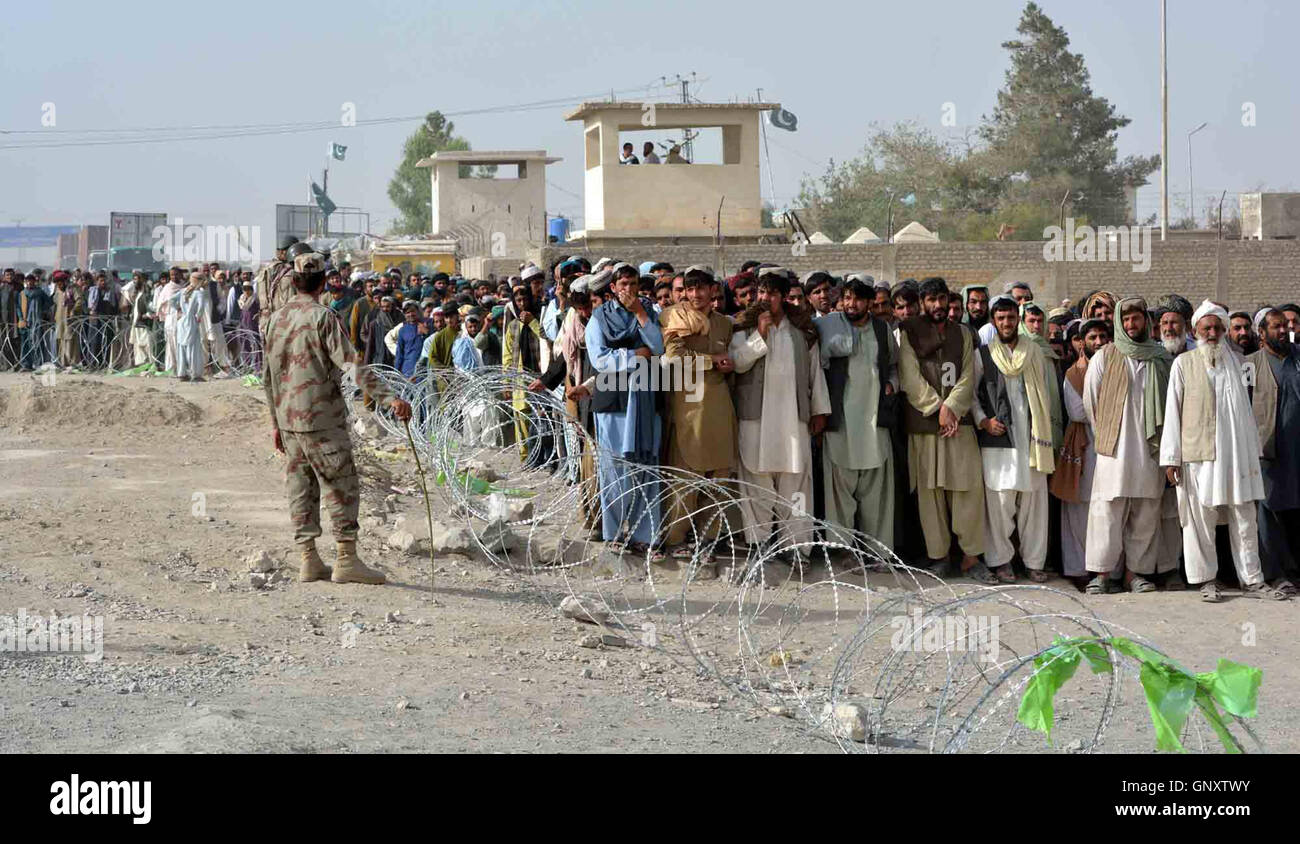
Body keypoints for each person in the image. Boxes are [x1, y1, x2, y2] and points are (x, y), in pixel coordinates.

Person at [263, 251, 412, 584]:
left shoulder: (276, 319)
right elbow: (350, 365)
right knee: (340, 484)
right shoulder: (323, 317)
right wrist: (390, 398)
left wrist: (275, 422)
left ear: (293, 281)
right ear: (322, 281)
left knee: (301, 487)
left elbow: (267, 377)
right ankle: (346, 558)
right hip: (321, 418)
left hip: (288, 420)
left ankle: (309, 558)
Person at [1160, 301, 1281, 602]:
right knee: (1201, 519)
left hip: (1238, 454)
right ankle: (1206, 580)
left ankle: (1252, 580)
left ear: (1224, 331)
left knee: (1244, 516)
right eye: (1206, 328)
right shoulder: (1183, 364)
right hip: (1198, 454)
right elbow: (1173, 412)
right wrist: (1171, 458)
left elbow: (1252, 411)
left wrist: (1254, 451)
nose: (1212, 333)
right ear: (1195, 330)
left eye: (1217, 328)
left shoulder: (1242, 364)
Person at [729, 267, 831, 566]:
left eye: (772, 293)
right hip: (755, 421)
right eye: (761, 292)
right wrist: (759, 335)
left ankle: (796, 548)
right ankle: (759, 544)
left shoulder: (802, 332)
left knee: (795, 485)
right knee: (756, 483)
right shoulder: (742, 329)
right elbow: (737, 364)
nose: (765, 298)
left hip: (792, 422)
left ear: (783, 297)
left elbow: (815, 374)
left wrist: (819, 411)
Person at [1082, 297, 1173, 594]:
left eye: (1136, 318)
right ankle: (1102, 575)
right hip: (1114, 450)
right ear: (1119, 323)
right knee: (1107, 512)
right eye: (1126, 319)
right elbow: (1091, 401)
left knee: (1146, 512)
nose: (1131, 325)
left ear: (1146, 321)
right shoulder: (1105, 356)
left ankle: (1136, 575)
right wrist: (1107, 436)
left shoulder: (1160, 358)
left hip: (1150, 450)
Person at [897, 277, 987, 579]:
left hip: (958, 425)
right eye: (931, 300)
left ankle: (971, 557)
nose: (937, 305)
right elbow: (909, 378)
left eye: (941, 299)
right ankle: (939, 557)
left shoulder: (962, 333)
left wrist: (951, 409)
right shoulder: (909, 333)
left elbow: (968, 375)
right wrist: (937, 409)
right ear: (922, 303)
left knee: (967, 490)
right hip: (925, 425)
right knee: (929, 492)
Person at [973, 296, 1057, 582]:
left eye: (1011, 318)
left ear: (1017, 320)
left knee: (1034, 505)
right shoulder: (983, 354)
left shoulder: (1033, 352)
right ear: (994, 322)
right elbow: (972, 394)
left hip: (1033, 438)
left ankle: (1034, 562)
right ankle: (1001, 561)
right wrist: (983, 420)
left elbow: (1045, 395)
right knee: (999, 504)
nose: (1006, 323)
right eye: (1001, 318)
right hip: (998, 439)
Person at [659, 266, 737, 572]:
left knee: (717, 477)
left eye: (700, 288)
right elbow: (674, 356)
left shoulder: (723, 325)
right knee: (684, 477)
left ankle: (708, 539)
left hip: (718, 406)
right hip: (688, 406)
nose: (695, 295)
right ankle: (676, 540)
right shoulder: (673, 318)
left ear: (713, 290)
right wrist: (711, 361)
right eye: (689, 289)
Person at [586, 263, 665, 558]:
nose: (628, 290)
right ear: (613, 289)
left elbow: (658, 346)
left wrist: (641, 315)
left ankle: (645, 535)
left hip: (646, 401)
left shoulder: (648, 313)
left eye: (633, 284)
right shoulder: (599, 319)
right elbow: (600, 359)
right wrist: (634, 354)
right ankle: (616, 532)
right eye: (623, 285)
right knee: (614, 469)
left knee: (646, 466)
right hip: (614, 403)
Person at [817, 277, 898, 551]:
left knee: (877, 495)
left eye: (858, 299)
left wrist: (892, 384)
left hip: (875, 422)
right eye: (848, 298)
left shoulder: (882, 330)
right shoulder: (828, 327)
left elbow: (896, 367)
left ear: (869, 303)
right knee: (839, 495)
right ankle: (842, 552)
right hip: (841, 424)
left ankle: (878, 552)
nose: (852, 304)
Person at [1249, 308, 1300, 594]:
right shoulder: (1250, 364)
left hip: (1297, 451)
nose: (1283, 331)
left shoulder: (1298, 356)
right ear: (1263, 332)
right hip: (1266, 452)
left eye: (1286, 326)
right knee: (1268, 515)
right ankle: (1274, 573)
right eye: (1276, 327)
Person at [1057, 319, 1111, 581]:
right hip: (1084, 446)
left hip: (1112, 447)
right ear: (1082, 342)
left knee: (1107, 510)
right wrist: (1109, 410)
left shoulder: (1117, 368)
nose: (1098, 342)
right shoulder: (1073, 374)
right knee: (1079, 512)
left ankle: (1108, 570)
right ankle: (1078, 569)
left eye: (1103, 336)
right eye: (1093, 337)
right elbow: (1077, 412)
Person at [171, 272, 209, 382]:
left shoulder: (183, 291)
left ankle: (182, 373)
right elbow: (201, 307)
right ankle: (195, 374)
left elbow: (172, 300)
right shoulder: (198, 293)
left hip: (181, 321)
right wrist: (198, 317)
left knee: (181, 347)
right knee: (194, 348)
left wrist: (178, 310)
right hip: (191, 321)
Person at [129, 273, 154, 367]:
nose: (135, 281)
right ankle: (142, 365)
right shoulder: (137, 293)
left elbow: (151, 306)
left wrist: (147, 315)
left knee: (147, 344)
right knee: (138, 345)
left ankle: (150, 364)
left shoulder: (146, 293)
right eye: (134, 279)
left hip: (144, 323)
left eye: (137, 279)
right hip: (136, 323)